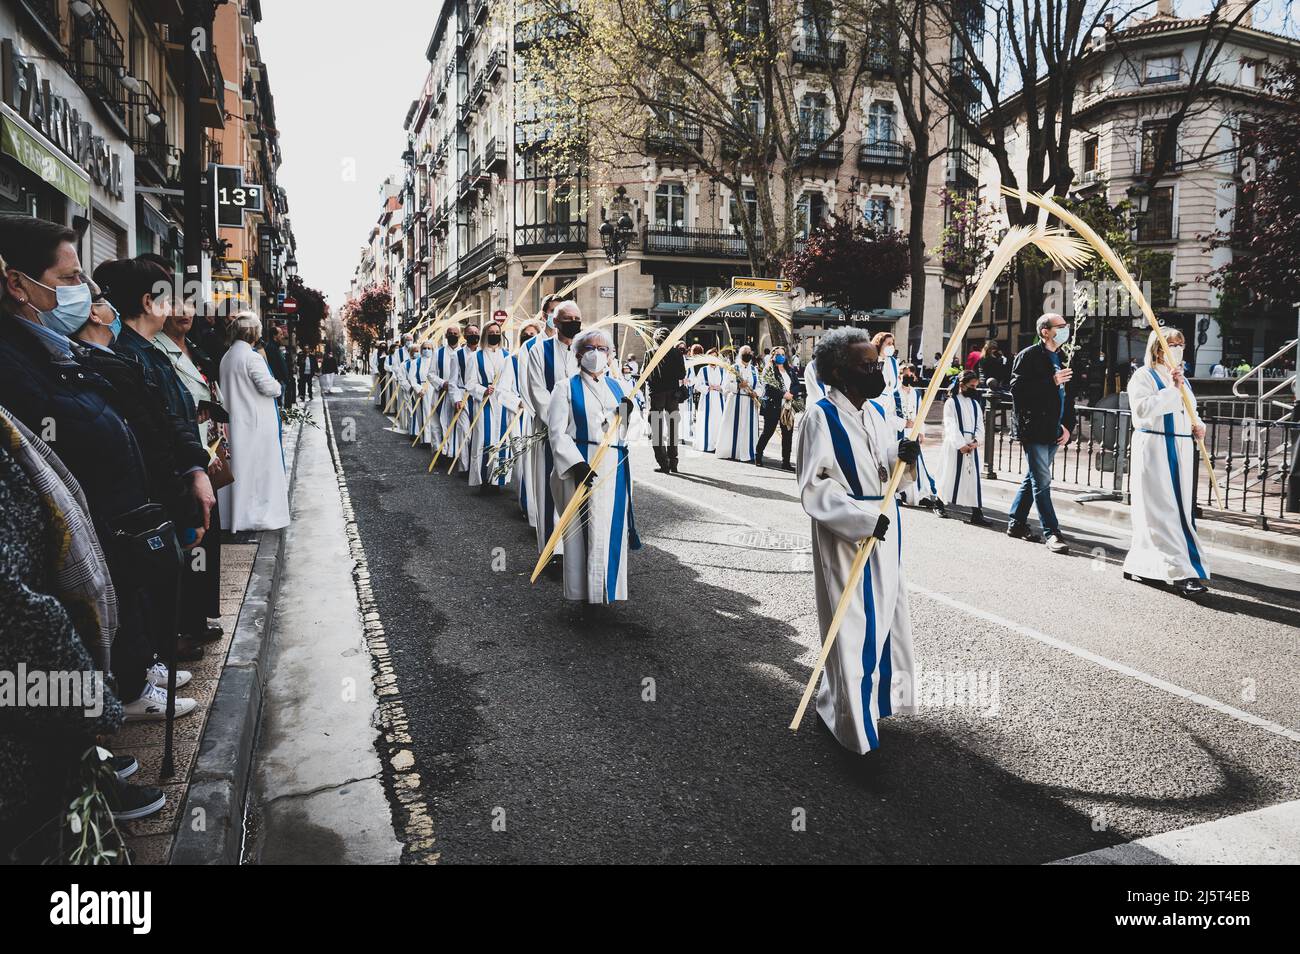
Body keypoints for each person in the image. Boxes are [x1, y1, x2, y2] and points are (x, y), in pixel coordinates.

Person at [0, 219, 189, 718]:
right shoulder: (19, 361)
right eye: (68, 280)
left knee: (125, 604)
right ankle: (110, 712)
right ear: (17, 284)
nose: (83, 292)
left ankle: (131, 677)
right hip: (86, 524)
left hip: (112, 514)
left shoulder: (59, 352)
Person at [796, 328, 920, 755]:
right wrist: (860, 519)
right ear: (839, 373)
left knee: (885, 616)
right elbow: (814, 487)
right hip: (848, 532)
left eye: (877, 364)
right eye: (867, 366)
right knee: (851, 624)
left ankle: (861, 703)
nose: (877, 371)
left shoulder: (879, 413)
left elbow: (892, 476)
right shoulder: (819, 417)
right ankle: (853, 733)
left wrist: (905, 458)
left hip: (888, 527)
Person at [546, 327, 639, 604]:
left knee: (610, 528)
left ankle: (609, 590)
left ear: (610, 355)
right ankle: (584, 594)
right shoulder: (565, 388)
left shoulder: (620, 387)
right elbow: (557, 432)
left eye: (602, 349)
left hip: (614, 468)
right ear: (577, 354)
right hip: (582, 466)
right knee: (582, 530)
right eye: (590, 348)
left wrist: (629, 415)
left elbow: (634, 431)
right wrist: (575, 464)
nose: (596, 354)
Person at [1123, 328, 1210, 597]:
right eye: (1172, 344)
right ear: (1157, 348)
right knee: (1163, 511)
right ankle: (1182, 572)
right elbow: (1142, 412)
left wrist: (1198, 426)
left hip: (1181, 447)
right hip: (1156, 447)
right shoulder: (1143, 376)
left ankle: (1144, 564)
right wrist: (1172, 390)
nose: (1177, 348)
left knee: (1176, 509)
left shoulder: (1182, 379)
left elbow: (1190, 410)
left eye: (1181, 344)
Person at [1008, 313, 1075, 553]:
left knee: (1034, 477)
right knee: (1042, 480)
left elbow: (1067, 397)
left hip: (1054, 430)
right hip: (1034, 428)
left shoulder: (1062, 356)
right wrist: (1052, 380)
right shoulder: (1029, 355)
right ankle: (1052, 532)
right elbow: (1017, 390)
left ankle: (1016, 522)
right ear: (1045, 331)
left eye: (1066, 326)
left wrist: (1068, 426)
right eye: (1060, 326)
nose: (1065, 329)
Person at [220, 313, 290, 531]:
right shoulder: (251, 357)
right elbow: (269, 387)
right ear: (253, 332)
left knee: (241, 471)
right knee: (259, 472)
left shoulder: (228, 356)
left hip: (236, 421)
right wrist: (278, 385)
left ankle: (236, 517)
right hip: (255, 423)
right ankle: (257, 516)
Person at [525, 300, 581, 556]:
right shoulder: (539, 351)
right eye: (567, 319)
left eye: (576, 318)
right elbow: (538, 391)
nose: (573, 323)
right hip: (550, 430)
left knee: (576, 490)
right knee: (549, 488)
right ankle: (551, 551)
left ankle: (576, 549)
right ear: (554, 323)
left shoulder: (586, 350)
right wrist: (560, 425)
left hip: (581, 433)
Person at [465, 319, 521, 490]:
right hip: (484, 404)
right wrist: (483, 390)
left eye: (497, 332)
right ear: (485, 334)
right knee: (484, 439)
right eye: (491, 332)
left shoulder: (508, 357)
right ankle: (483, 479)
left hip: (502, 404)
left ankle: (498, 479)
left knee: (501, 441)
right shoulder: (476, 356)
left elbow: (513, 383)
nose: (495, 335)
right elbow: (469, 383)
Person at [939, 371, 987, 524]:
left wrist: (976, 441)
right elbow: (950, 424)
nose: (974, 389)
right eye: (971, 386)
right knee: (949, 473)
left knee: (972, 478)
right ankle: (939, 503)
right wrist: (960, 444)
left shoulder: (975, 404)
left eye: (976, 386)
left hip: (970, 445)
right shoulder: (951, 402)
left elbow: (980, 425)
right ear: (962, 384)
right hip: (955, 444)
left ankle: (976, 512)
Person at [646, 326, 687, 474]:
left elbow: (646, 375)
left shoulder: (650, 353)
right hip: (673, 395)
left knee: (656, 430)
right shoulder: (677, 353)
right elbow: (682, 374)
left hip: (657, 395)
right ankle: (674, 462)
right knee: (673, 429)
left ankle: (663, 463)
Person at [755, 345, 796, 470]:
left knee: (788, 434)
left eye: (783, 354)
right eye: (778, 354)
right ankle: (758, 455)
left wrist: (792, 393)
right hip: (773, 406)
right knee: (768, 432)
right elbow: (768, 388)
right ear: (773, 356)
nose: (781, 356)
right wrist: (784, 394)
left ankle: (786, 462)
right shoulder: (769, 370)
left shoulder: (789, 370)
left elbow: (796, 384)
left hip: (787, 407)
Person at [717, 345, 760, 461]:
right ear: (740, 354)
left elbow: (760, 386)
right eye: (745, 352)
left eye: (749, 352)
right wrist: (739, 385)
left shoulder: (754, 370)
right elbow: (725, 386)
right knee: (733, 426)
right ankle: (732, 451)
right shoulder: (733, 368)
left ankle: (747, 452)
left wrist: (756, 393)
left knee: (747, 428)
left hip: (749, 402)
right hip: (735, 400)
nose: (748, 354)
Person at [691, 346, 724, 453]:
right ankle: (707, 444)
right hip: (707, 399)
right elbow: (697, 384)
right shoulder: (703, 370)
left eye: (715, 357)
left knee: (718, 421)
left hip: (719, 400)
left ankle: (718, 444)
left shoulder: (723, 370)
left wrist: (720, 387)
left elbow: (727, 384)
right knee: (707, 421)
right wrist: (708, 388)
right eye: (711, 357)